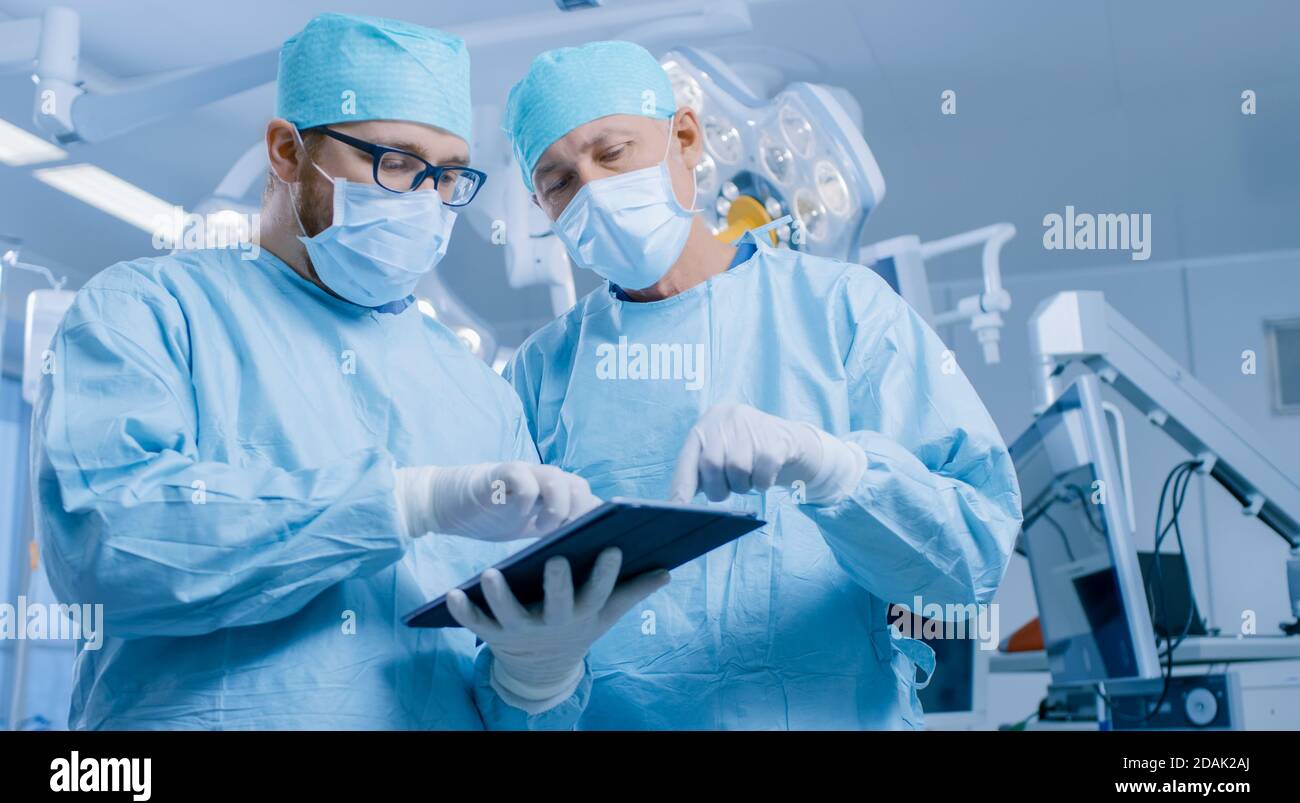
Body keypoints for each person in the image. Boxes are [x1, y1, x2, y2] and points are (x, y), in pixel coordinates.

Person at [29, 15, 665, 730]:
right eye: (396, 163)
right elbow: (109, 546)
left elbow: (498, 699)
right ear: (285, 152)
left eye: (448, 174)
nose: (426, 199)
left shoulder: (481, 395)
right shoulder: (149, 313)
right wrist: (404, 503)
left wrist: (535, 676)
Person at [501, 40, 1023, 729]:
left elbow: (971, 566)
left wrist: (836, 470)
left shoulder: (843, 310)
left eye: (613, 152)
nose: (593, 189)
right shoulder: (541, 374)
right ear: (540, 206)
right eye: (560, 180)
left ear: (685, 137)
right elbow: (506, 609)